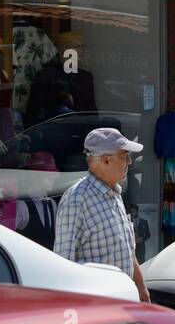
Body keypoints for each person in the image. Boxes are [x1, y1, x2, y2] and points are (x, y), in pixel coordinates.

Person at [54, 127, 149, 301]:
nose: (129, 162)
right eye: (124, 156)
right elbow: (63, 265)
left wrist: (141, 288)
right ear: (105, 160)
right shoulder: (76, 200)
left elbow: (127, 249)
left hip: (123, 302)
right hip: (97, 307)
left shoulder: (114, 193)